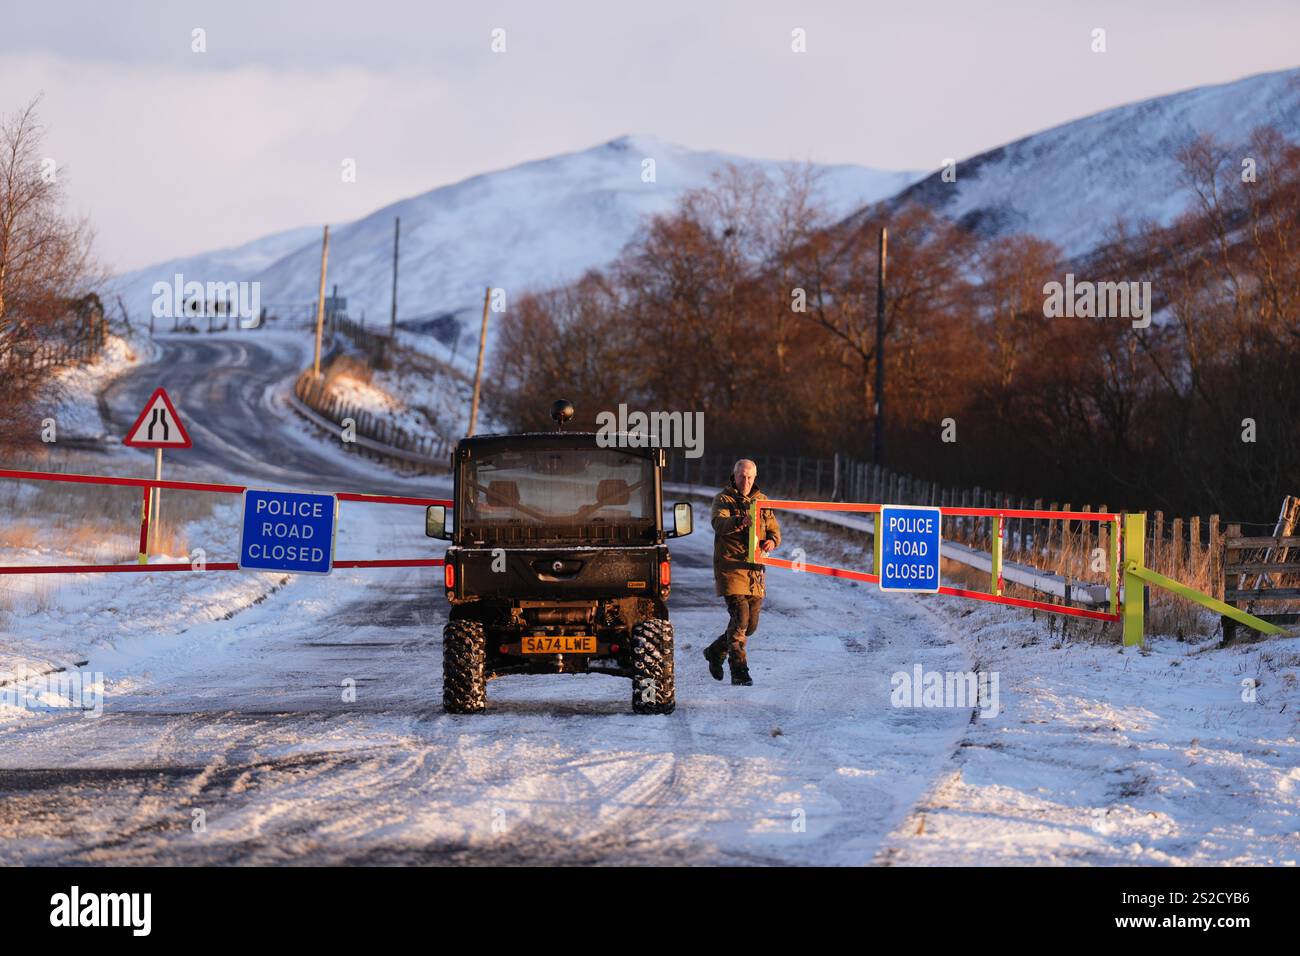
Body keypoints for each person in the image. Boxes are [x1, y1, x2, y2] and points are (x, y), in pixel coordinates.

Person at [704, 459, 780, 686]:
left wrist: (772, 542)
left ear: (755, 477)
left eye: (749, 477)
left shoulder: (763, 501)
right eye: (741, 476)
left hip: (754, 571)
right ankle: (739, 670)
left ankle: (715, 651)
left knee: (751, 625)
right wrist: (740, 520)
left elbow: (774, 530)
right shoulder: (723, 499)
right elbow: (719, 524)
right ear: (734, 476)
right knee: (741, 618)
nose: (745, 481)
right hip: (731, 567)